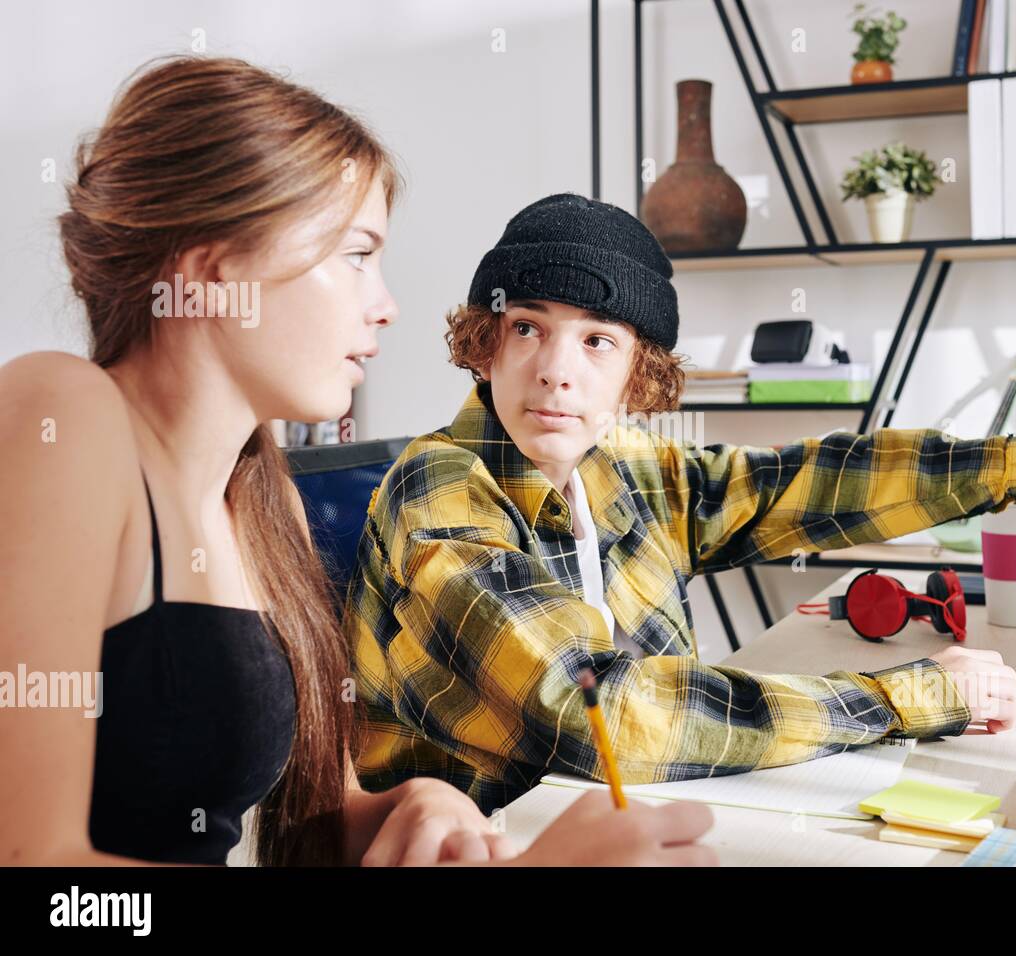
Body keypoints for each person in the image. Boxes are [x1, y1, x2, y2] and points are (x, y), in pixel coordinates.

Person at [0, 58, 713, 867]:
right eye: (355, 254)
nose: (387, 304)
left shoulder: (262, 501)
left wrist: (404, 808)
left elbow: (315, 826)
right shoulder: (60, 413)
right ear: (211, 264)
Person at [348, 192, 1016, 815]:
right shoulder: (441, 487)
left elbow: (811, 483)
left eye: (598, 339)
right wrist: (904, 699)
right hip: (493, 844)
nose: (555, 368)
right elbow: (604, 716)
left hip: (622, 822)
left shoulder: (620, 469)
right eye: (527, 327)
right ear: (484, 340)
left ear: (639, 371)